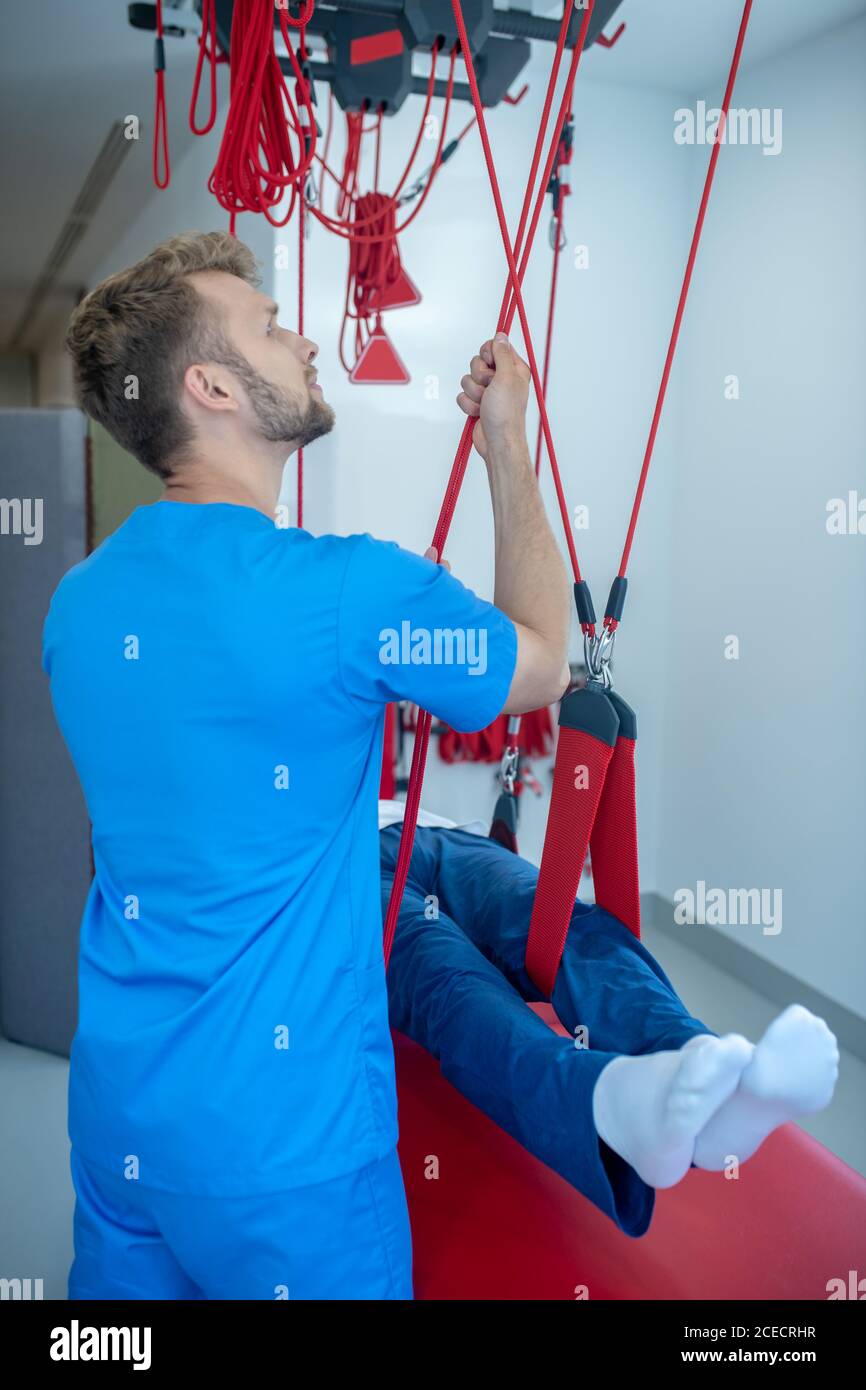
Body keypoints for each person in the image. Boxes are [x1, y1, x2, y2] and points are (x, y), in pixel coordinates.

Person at [44, 230, 571, 1300]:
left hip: (121, 1124)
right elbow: (545, 660)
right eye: (270, 328)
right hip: (286, 1156)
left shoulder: (79, 603)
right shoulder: (349, 595)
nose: (303, 344)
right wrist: (506, 441)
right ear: (210, 385)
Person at [377, 802, 840, 1237]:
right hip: (342, 868)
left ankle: (701, 1063)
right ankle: (606, 1099)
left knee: (567, 927)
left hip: (441, 832)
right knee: (453, 982)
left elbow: (483, 709)